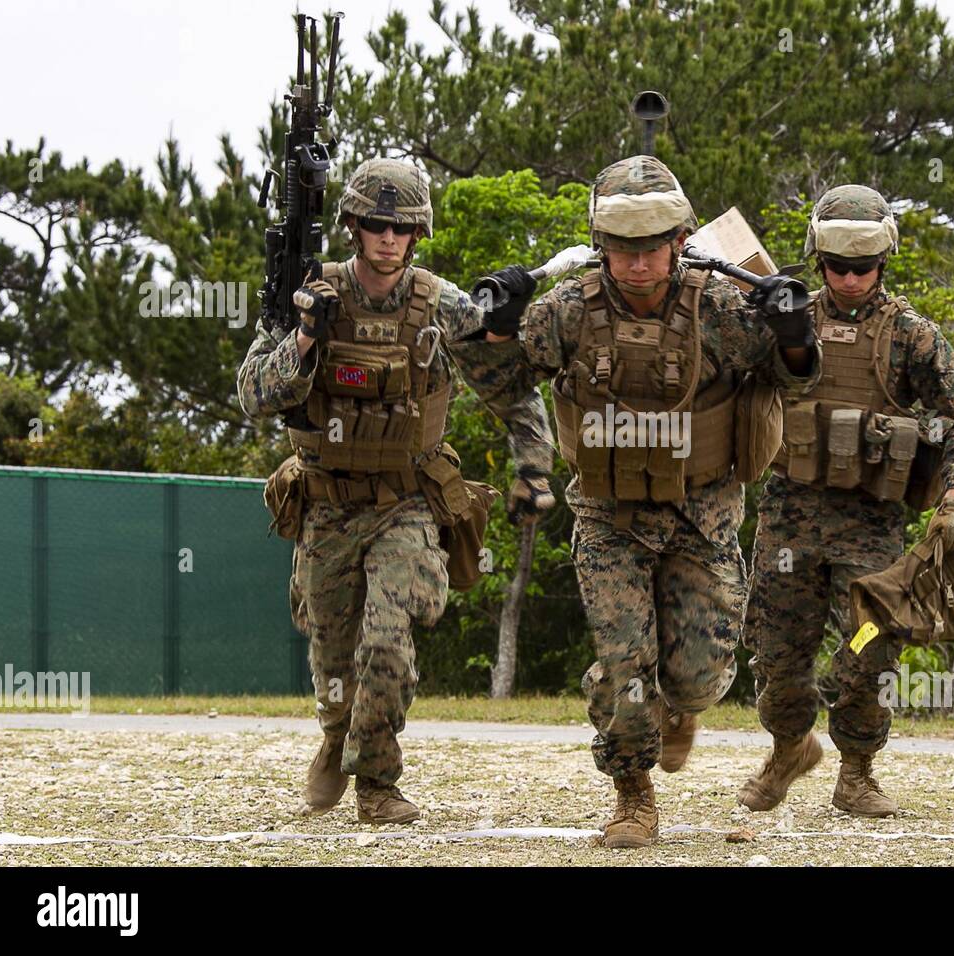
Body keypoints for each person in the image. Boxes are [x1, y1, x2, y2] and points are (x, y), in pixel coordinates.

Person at [448, 155, 821, 848]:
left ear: (680, 240)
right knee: (625, 667)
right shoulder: (569, 309)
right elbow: (498, 377)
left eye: (652, 247)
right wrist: (491, 325)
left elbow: (792, 379)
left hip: (703, 513)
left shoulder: (721, 304)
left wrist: (794, 336)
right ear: (602, 246)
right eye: (623, 249)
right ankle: (632, 794)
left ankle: (681, 709)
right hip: (607, 514)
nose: (639, 264)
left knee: (700, 677)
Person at [236, 158, 556, 825]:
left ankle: (377, 783)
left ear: (418, 233)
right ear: (353, 226)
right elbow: (255, 397)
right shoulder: (310, 294)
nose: (388, 238)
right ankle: (336, 734)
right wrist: (303, 338)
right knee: (332, 658)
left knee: (386, 638)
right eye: (376, 224)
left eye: (401, 226)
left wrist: (533, 466)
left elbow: (510, 387)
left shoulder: (440, 306)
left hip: (407, 502)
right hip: (327, 502)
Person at [737, 184, 954, 817]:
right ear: (817, 260)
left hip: (871, 521)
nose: (850, 278)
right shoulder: (784, 318)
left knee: (871, 645)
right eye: (836, 266)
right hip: (790, 514)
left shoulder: (911, 337)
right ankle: (788, 748)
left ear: (884, 262)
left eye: (863, 266)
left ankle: (856, 771)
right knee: (777, 651)